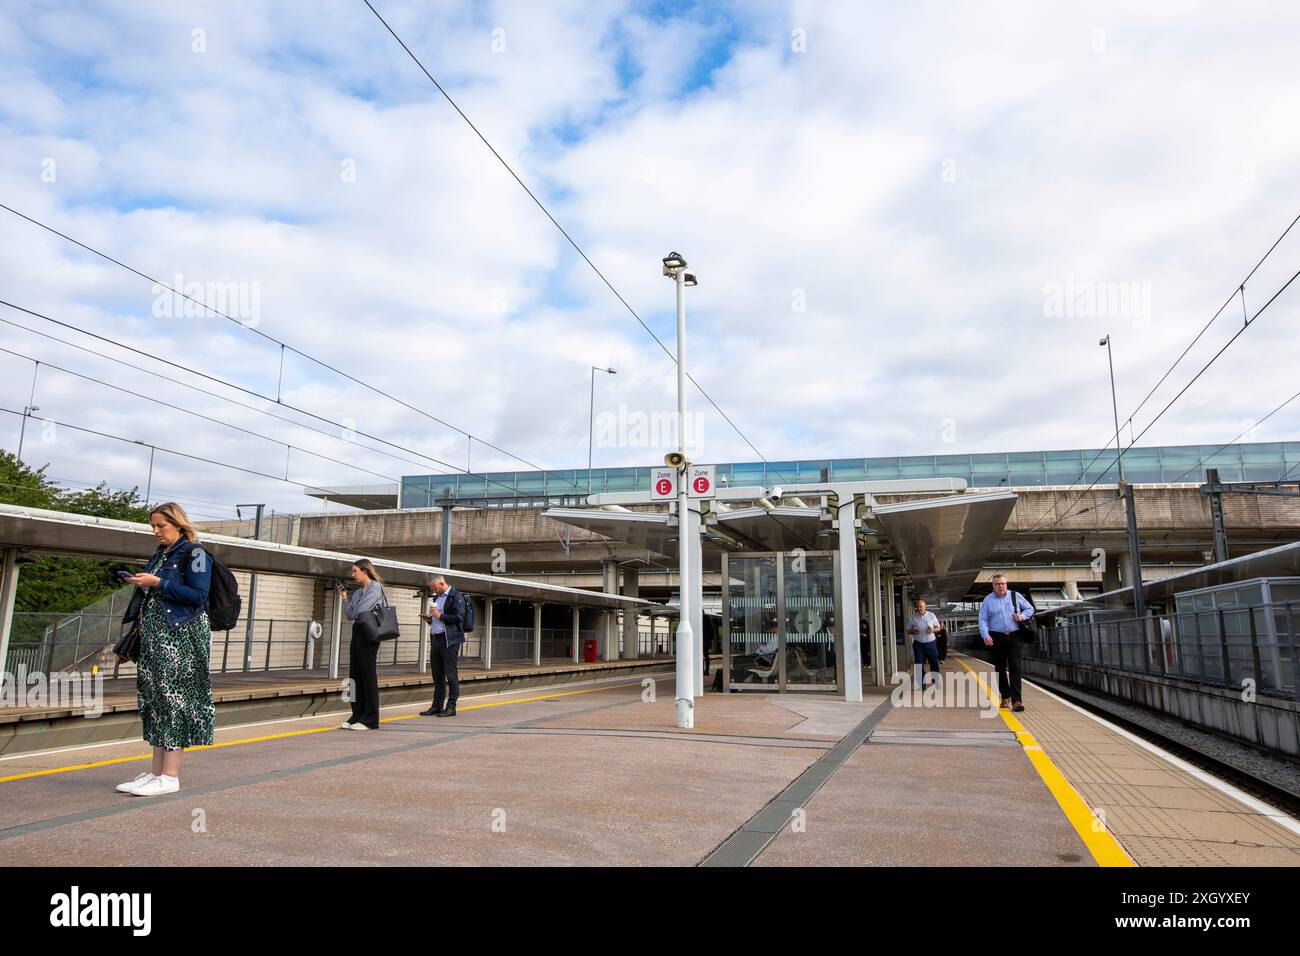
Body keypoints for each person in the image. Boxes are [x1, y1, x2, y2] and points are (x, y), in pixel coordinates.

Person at [114, 502, 215, 797]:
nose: (156, 532)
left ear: (178, 524)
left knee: (173, 700)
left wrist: (156, 581)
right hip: (155, 638)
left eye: (161, 526)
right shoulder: (162, 553)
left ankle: (170, 775)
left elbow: (198, 595)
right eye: (153, 527)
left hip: (180, 638)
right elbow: (149, 602)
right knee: (155, 700)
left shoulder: (195, 553)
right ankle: (156, 772)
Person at [337, 559, 386, 730]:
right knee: (354, 675)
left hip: (370, 633)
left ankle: (370, 718)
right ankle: (356, 714)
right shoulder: (358, 592)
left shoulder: (375, 588)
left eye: (355, 571)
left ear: (365, 571)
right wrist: (344, 598)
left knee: (367, 675)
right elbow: (350, 615)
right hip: (357, 631)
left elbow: (361, 611)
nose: (353, 574)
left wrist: (353, 607)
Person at [979, 573, 1035, 712]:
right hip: (997, 636)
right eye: (998, 584)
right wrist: (985, 634)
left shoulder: (1015, 596)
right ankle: (1005, 696)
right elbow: (983, 619)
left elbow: (1030, 609)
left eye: (1003, 583)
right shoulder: (987, 601)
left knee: (1015, 666)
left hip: (1015, 636)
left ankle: (1017, 701)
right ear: (993, 585)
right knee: (1000, 667)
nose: (1001, 586)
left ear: (1006, 584)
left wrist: (1021, 616)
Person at [420, 575, 467, 717]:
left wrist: (440, 616)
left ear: (442, 583)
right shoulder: (436, 598)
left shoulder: (456, 596)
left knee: (451, 674)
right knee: (437, 675)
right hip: (436, 639)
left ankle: (451, 707)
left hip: (449, 640)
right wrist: (430, 618)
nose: (434, 591)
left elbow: (459, 617)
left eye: (435, 588)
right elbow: (437, 618)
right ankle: (437, 706)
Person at [905, 598, 941, 688]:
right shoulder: (913, 617)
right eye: (918, 607)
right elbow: (908, 630)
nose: (919, 608)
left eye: (921, 606)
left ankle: (935, 678)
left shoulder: (931, 615)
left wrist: (932, 630)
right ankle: (922, 684)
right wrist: (912, 631)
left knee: (934, 662)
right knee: (919, 664)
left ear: (925, 607)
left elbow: (939, 628)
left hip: (931, 643)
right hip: (918, 644)